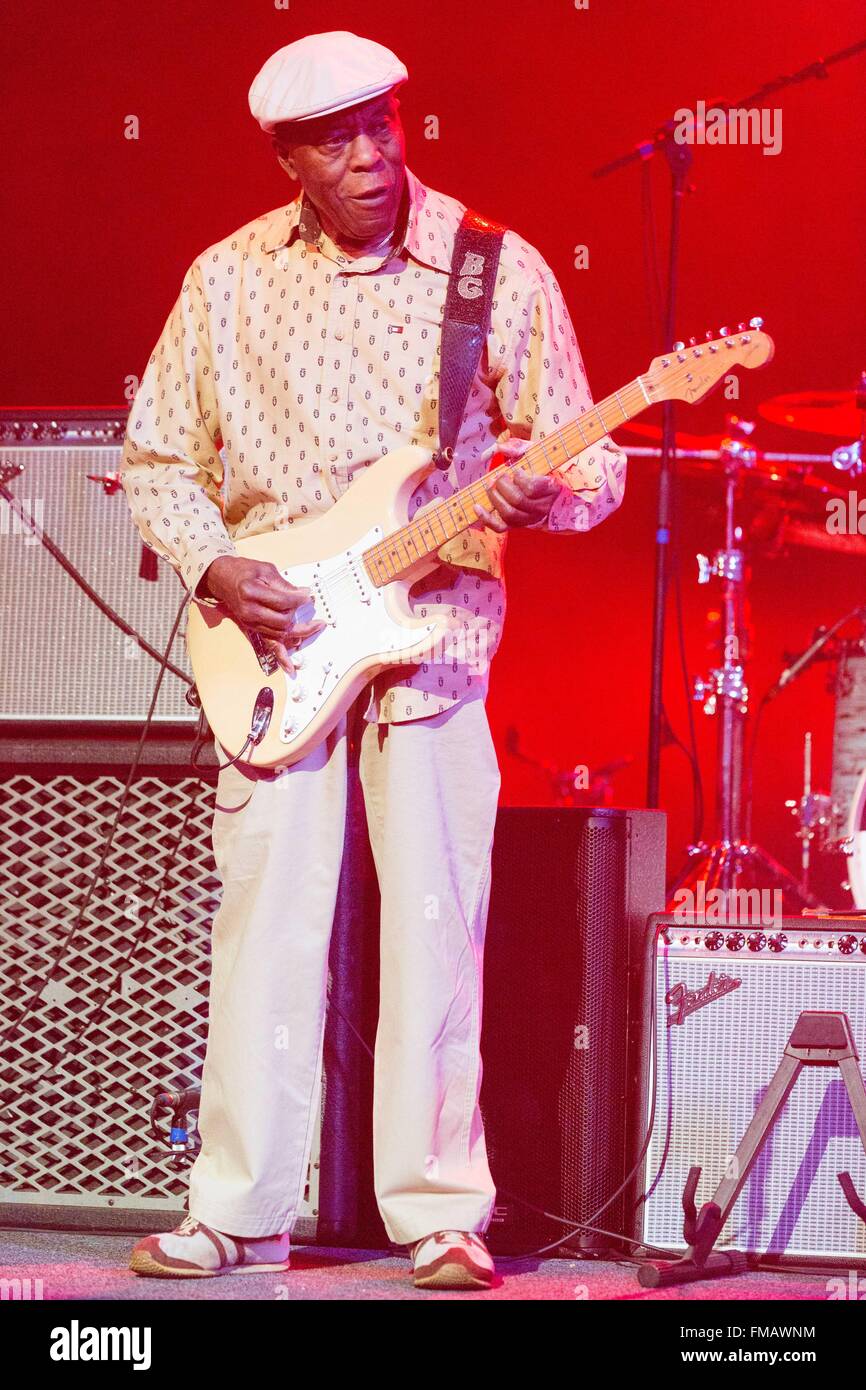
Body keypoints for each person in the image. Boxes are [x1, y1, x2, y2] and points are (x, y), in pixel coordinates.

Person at [121, 30, 626, 1291]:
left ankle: (438, 1211)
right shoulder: (226, 278)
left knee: (437, 931)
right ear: (285, 155)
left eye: (384, 127)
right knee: (268, 931)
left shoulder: (491, 269)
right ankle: (237, 1210)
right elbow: (156, 461)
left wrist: (536, 496)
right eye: (336, 139)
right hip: (278, 645)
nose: (368, 158)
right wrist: (218, 569)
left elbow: (594, 462)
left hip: (434, 637)